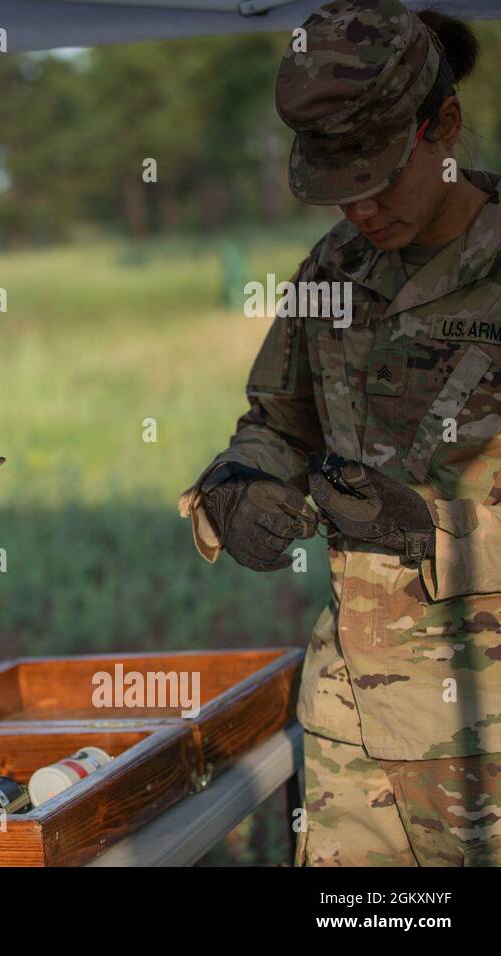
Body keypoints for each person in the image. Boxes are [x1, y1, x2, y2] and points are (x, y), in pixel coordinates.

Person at [180, 0, 501, 866]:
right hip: (353, 726)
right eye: (335, 184)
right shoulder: (334, 269)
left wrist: (433, 530)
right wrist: (237, 489)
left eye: (378, 177)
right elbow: (276, 423)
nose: (357, 208)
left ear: (446, 129)